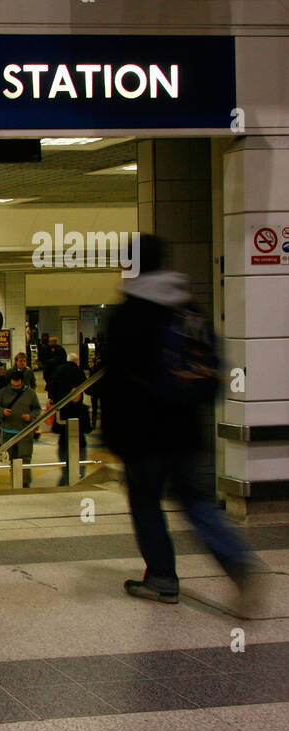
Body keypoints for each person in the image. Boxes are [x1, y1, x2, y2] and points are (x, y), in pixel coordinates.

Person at [101, 234, 253, 604]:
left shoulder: (129, 312)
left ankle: (163, 578)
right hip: (184, 428)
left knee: (146, 501)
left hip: (142, 433)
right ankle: (236, 559)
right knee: (194, 500)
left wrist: (111, 436)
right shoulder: (188, 307)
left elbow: (116, 380)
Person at [0, 368, 43, 488]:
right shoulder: (3, 392)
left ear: (22, 383)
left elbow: (37, 409)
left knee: (25, 457)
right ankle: (16, 480)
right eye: (13, 385)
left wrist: (30, 416)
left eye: (18, 385)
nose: (15, 387)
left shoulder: (30, 393)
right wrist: (3, 411)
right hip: (8, 431)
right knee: (13, 458)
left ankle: (25, 482)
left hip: (25, 432)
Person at [47, 354, 90, 486]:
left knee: (67, 469)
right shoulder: (79, 371)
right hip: (77, 440)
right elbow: (87, 428)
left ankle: (65, 486)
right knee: (76, 470)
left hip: (65, 435)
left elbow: (51, 385)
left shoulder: (60, 370)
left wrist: (54, 399)